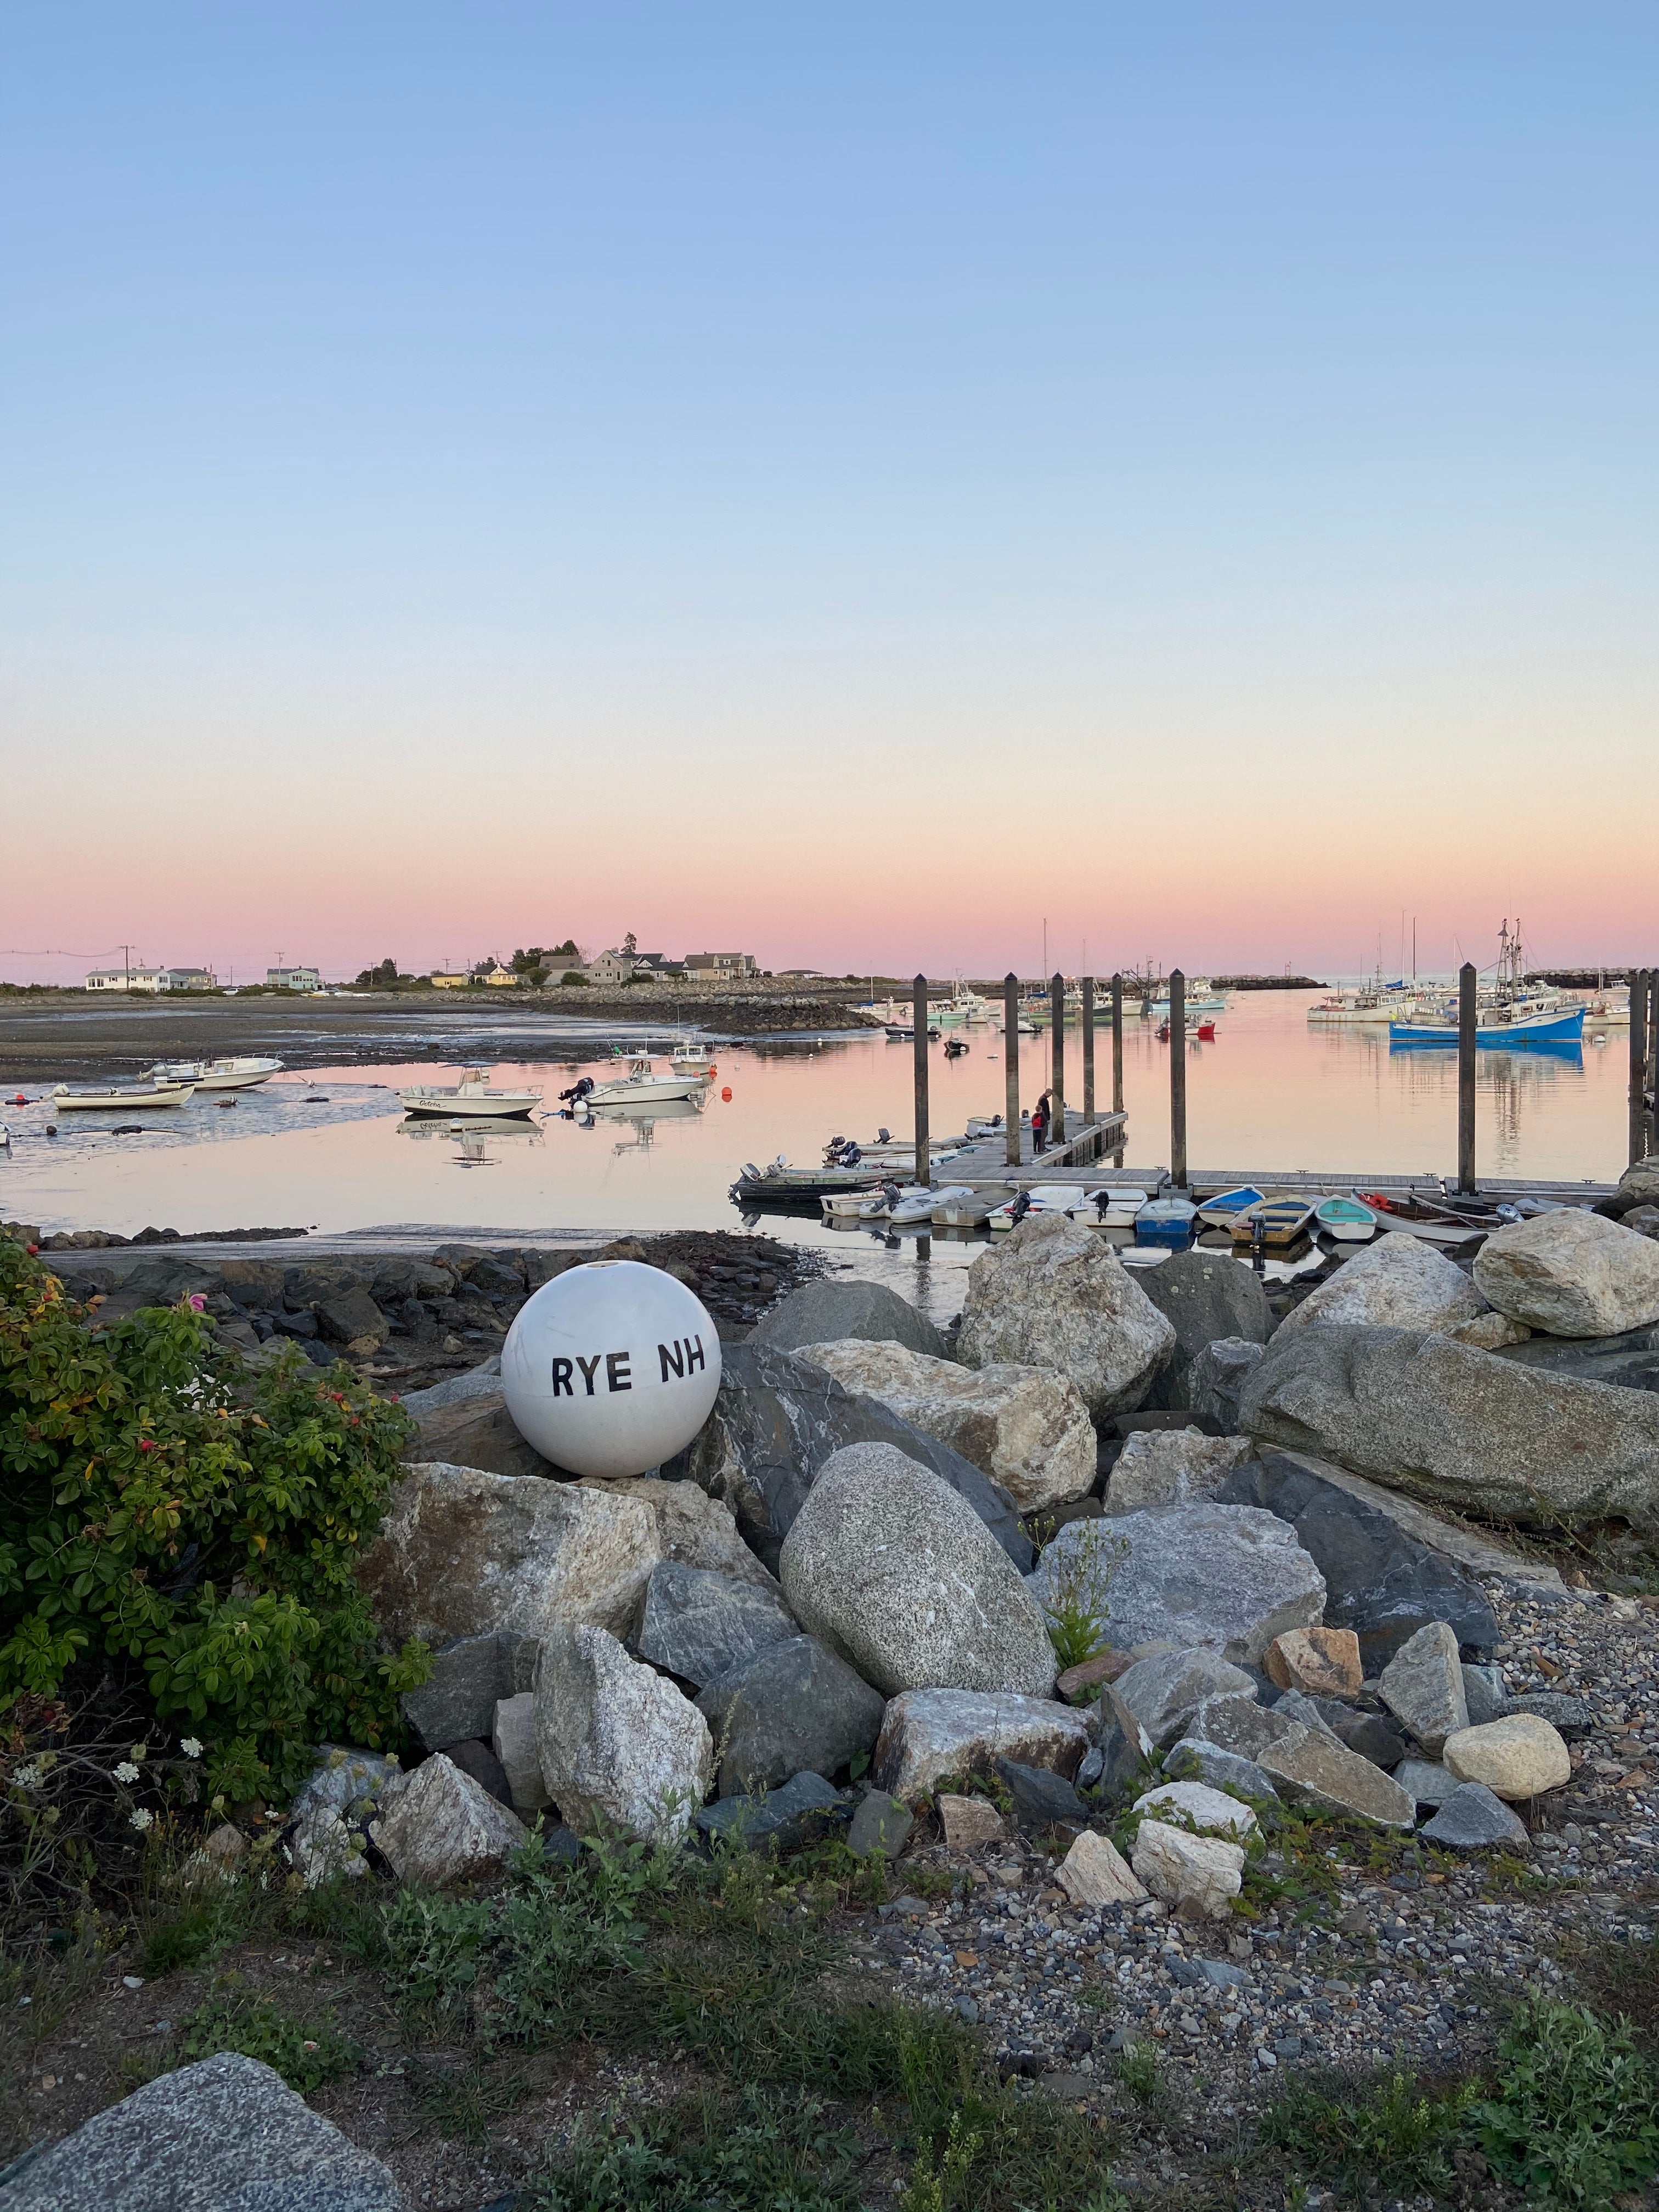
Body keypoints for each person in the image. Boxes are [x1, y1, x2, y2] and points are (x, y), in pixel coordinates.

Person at [1031, 1090, 1050, 1155]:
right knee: (1043, 1135)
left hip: (1035, 1129)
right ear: (1047, 1093)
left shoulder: (1034, 1116)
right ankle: (1041, 1149)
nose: (1050, 1096)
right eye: (1050, 1094)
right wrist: (1046, 1121)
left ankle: (1036, 1150)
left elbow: (1032, 1121)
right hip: (1040, 1127)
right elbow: (1045, 1112)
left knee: (1035, 1140)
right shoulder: (1044, 1100)